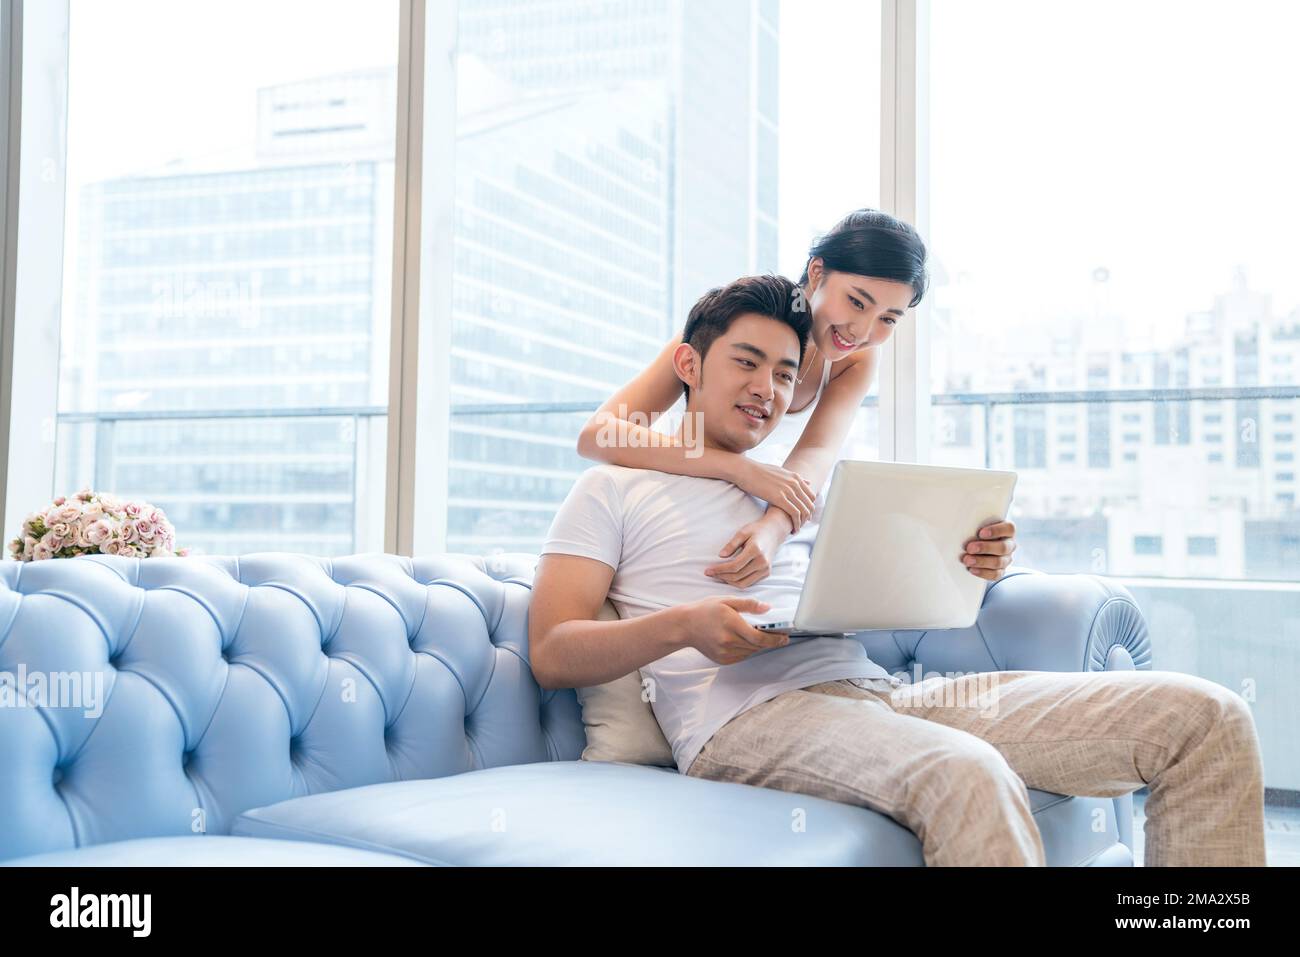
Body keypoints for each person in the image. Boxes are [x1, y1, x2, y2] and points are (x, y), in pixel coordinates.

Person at [530, 273, 1267, 866]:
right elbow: (552, 651)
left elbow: (890, 582)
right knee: (966, 772)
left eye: (785, 374)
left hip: (888, 694)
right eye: (746, 362)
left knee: (1204, 717)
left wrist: (976, 561)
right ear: (689, 364)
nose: (767, 387)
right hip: (744, 722)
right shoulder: (613, 488)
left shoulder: (795, 498)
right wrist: (683, 626)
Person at [576, 208, 997, 590]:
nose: (861, 331)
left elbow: (813, 457)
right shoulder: (741, 323)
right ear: (817, 272)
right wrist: (738, 469)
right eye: (855, 301)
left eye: (888, 319)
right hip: (681, 504)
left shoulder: (858, 359)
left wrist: (772, 532)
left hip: (760, 526)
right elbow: (599, 435)